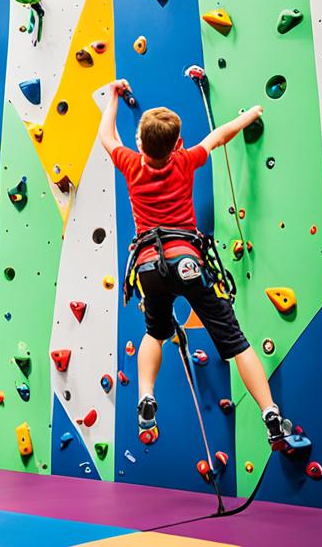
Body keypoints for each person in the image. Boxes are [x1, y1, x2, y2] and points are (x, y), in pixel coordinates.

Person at [98, 78, 294, 449]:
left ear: (140, 143)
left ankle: (146, 395)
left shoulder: (131, 164)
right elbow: (219, 137)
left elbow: (107, 136)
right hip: (185, 258)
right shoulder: (185, 162)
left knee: (155, 333)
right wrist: (250, 114)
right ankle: (269, 412)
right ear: (177, 144)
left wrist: (113, 98)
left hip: (148, 267)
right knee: (235, 342)